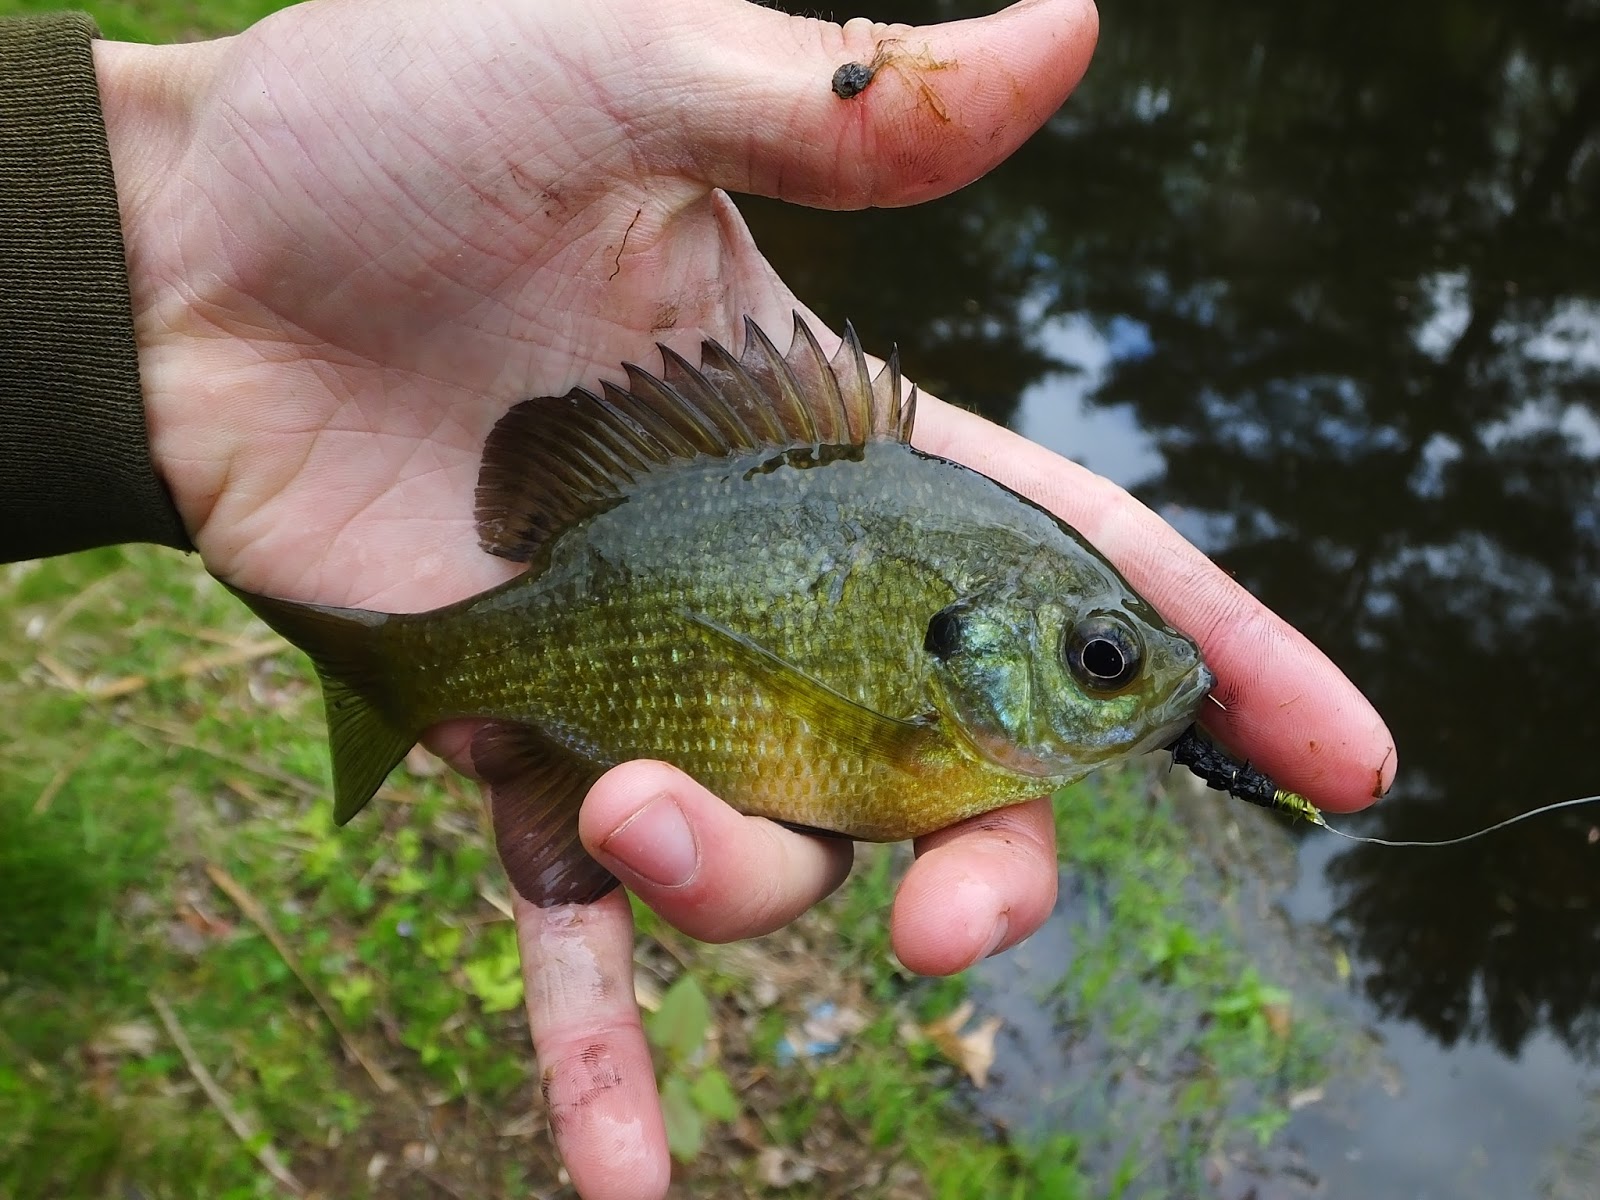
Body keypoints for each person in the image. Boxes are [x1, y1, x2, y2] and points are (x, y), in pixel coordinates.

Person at [0, 1, 1396, 1196]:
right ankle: (392, 670)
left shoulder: (951, 665)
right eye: (1098, 657)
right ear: (969, 645)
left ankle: (399, 672)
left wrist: (129, 222)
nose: (1134, 681)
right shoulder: (935, 718)